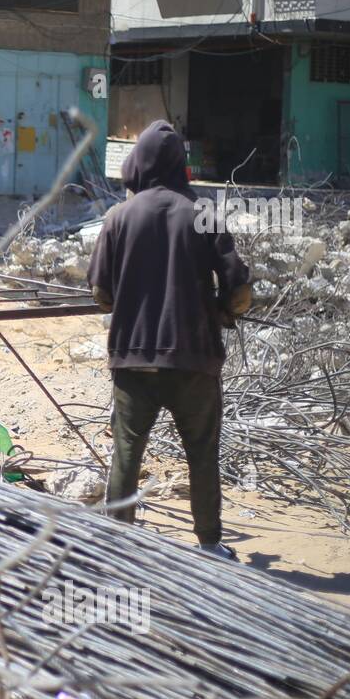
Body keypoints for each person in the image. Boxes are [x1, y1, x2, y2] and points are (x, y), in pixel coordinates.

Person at [87, 120, 251, 559]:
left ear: (138, 163)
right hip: (194, 359)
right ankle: (211, 545)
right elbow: (239, 294)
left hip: (133, 360)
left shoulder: (118, 217)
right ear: (182, 165)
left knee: (126, 452)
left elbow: (101, 294)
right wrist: (218, 309)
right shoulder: (204, 215)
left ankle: (116, 545)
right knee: (201, 453)